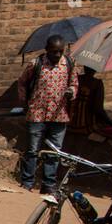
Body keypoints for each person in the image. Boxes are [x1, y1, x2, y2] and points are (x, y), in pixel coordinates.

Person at [17, 35, 78, 194]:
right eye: (54, 52)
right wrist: (24, 102)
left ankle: (48, 185)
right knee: (32, 150)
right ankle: (27, 182)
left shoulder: (69, 64)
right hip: (37, 113)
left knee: (54, 152)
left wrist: (71, 92)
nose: (57, 55)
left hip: (59, 115)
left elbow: (74, 84)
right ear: (47, 50)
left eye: (60, 51)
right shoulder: (36, 64)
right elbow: (22, 82)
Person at [68, 66, 112, 142]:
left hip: (69, 124)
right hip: (86, 126)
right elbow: (98, 110)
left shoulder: (75, 79)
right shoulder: (97, 83)